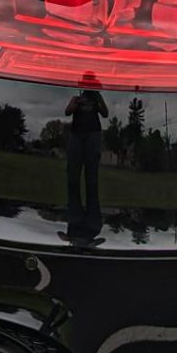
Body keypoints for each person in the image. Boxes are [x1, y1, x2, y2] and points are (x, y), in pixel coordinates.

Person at [61, 72, 108, 245]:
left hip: (93, 135)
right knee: (73, 173)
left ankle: (92, 214)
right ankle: (74, 213)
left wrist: (98, 97)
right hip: (77, 135)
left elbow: (105, 114)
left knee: (91, 176)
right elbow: (67, 112)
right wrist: (77, 102)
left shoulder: (97, 99)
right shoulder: (76, 98)